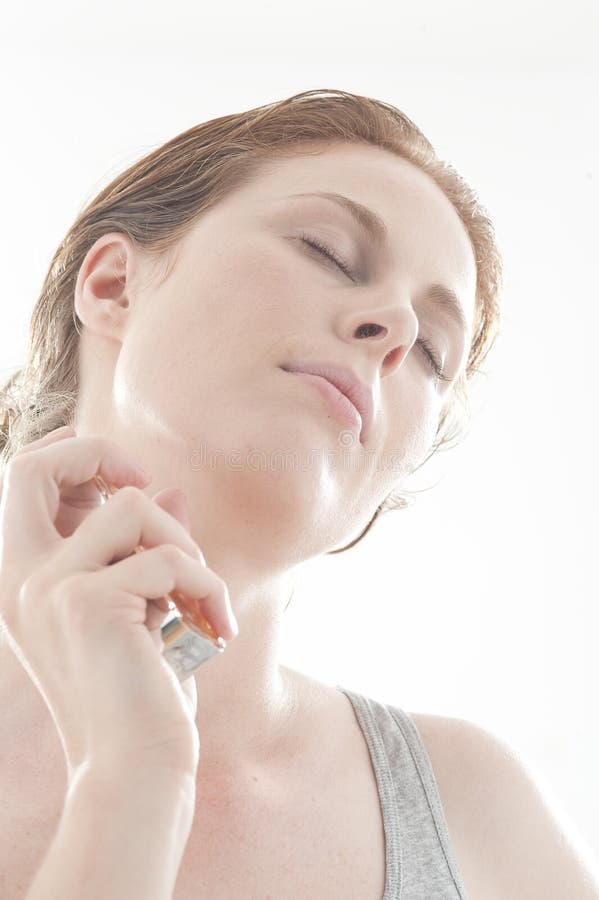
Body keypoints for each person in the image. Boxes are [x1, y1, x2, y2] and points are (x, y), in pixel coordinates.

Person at [1, 88, 597, 900]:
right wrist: (130, 781)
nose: (392, 326)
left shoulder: (480, 815)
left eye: (431, 351)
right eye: (326, 250)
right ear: (111, 287)